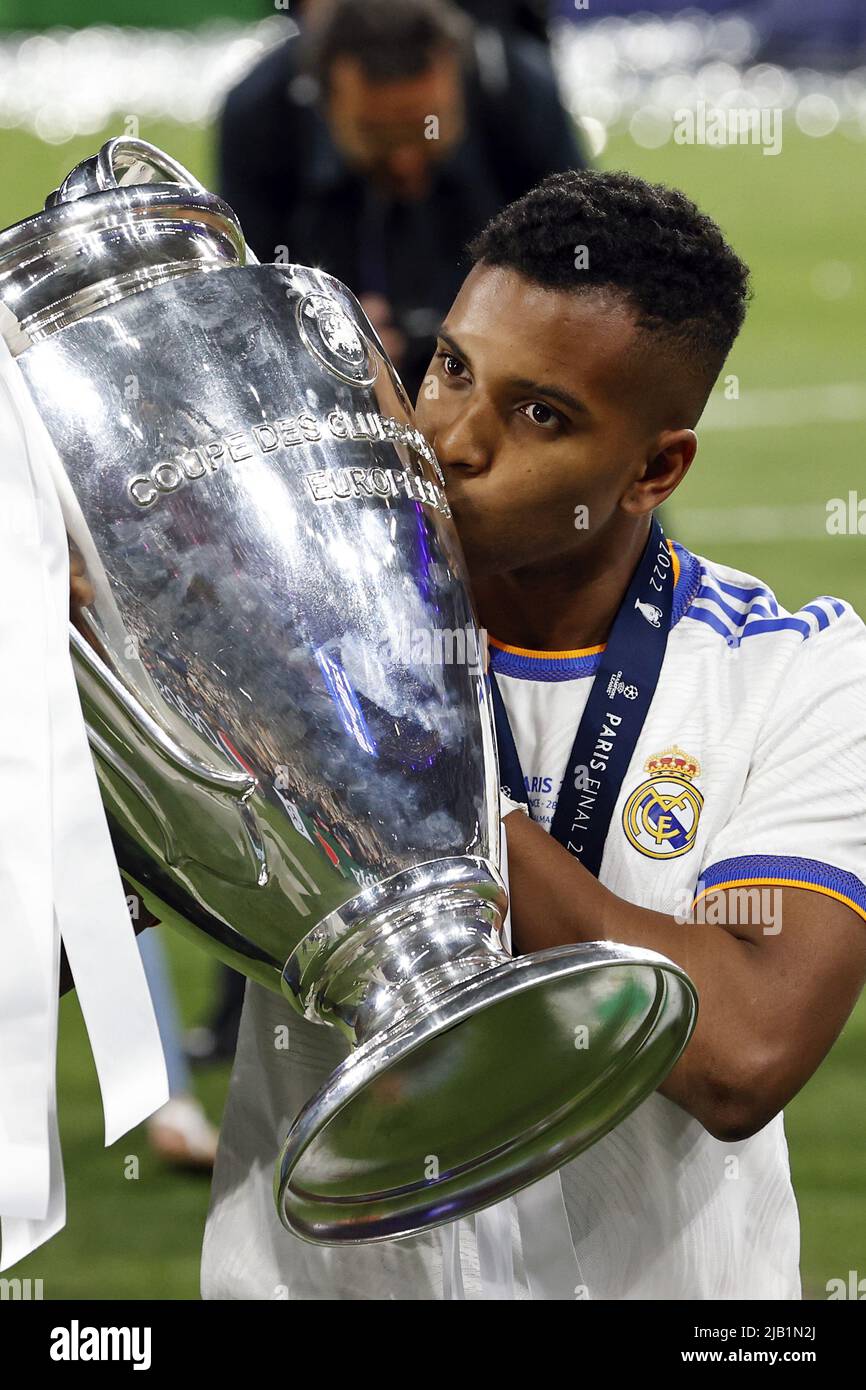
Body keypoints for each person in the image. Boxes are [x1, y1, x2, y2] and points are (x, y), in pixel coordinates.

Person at [201, 168, 866, 1300]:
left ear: (653, 468)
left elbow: (745, 1051)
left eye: (538, 414)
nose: (451, 437)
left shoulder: (797, 671)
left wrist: (393, 776)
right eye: (451, 366)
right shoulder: (274, 639)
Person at [217, 0, 585, 395]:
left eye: (424, 129)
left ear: (456, 77)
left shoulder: (517, 92)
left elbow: (583, 283)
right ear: (325, 100)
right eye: (377, 136)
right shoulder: (260, 115)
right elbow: (242, 311)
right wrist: (314, 337)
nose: (405, 161)